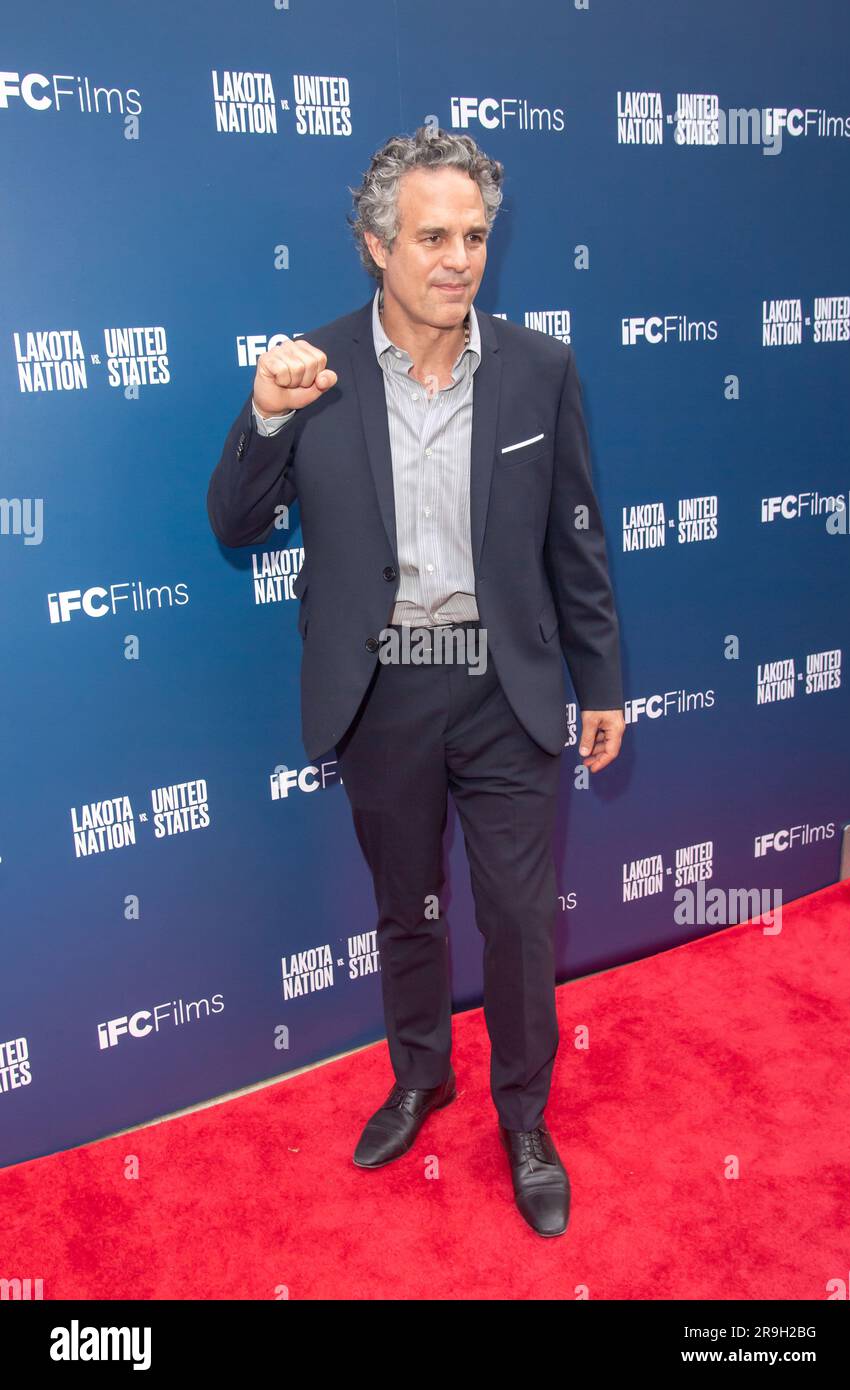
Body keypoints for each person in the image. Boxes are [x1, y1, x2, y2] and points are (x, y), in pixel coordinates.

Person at [207, 126, 625, 1237]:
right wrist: (265, 414)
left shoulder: (540, 368)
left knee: (521, 922)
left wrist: (605, 685)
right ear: (373, 245)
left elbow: (573, 542)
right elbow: (232, 522)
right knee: (407, 913)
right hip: (383, 691)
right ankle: (418, 1075)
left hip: (505, 690)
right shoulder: (313, 369)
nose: (457, 258)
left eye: (474, 235)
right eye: (431, 235)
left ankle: (524, 1117)